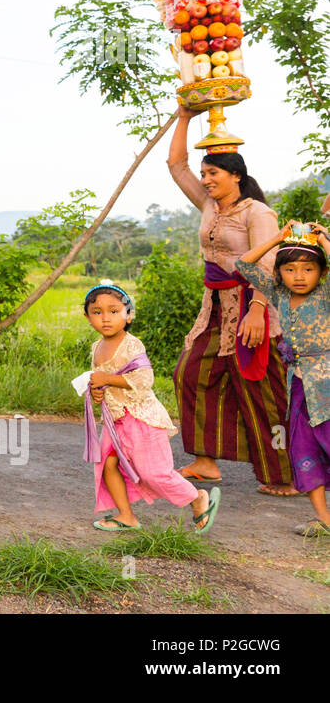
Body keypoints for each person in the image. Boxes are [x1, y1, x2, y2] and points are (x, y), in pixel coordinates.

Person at [166, 105, 295, 494]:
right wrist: (184, 116)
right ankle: (205, 461)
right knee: (191, 374)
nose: (205, 180)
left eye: (213, 173)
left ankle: (286, 474)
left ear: (236, 175)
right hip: (215, 309)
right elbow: (176, 165)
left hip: (253, 307)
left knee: (265, 392)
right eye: (204, 174)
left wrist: (257, 311)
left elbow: (269, 262)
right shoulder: (208, 205)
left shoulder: (258, 213)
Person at [81, 284, 219, 533]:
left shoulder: (132, 345)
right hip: (115, 421)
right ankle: (127, 516)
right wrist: (98, 391)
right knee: (107, 466)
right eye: (97, 312)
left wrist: (107, 380)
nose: (105, 318)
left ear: (129, 314)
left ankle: (196, 497)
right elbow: (103, 381)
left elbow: (144, 380)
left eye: (113, 311)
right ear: (87, 317)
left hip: (141, 419)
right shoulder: (96, 347)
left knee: (153, 473)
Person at [237, 221, 330, 536]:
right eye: (290, 269)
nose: (299, 276)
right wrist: (277, 238)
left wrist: (323, 239)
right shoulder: (277, 293)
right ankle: (324, 520)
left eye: (308, 269)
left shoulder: (326, 294)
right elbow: (244, 264)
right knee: (304, 450)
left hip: (327, 385)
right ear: (280, 275)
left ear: (322, 273)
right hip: (300, 387)